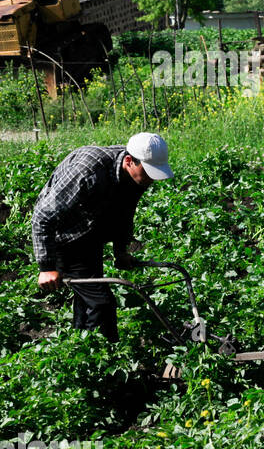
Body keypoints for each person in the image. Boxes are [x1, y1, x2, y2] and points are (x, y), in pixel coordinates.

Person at [32, 133, 174, 341]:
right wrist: (46, 267)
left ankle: (80, 346)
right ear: (129, 162)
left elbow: (125, 211)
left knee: (89, 296)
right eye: (149, 173)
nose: (152, 179)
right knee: (100, 303)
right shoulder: (88, 172)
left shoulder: (136, 177)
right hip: (67, 236)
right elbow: (42, 216)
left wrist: (120, 250)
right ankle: (102, 358)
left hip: (91, 231)